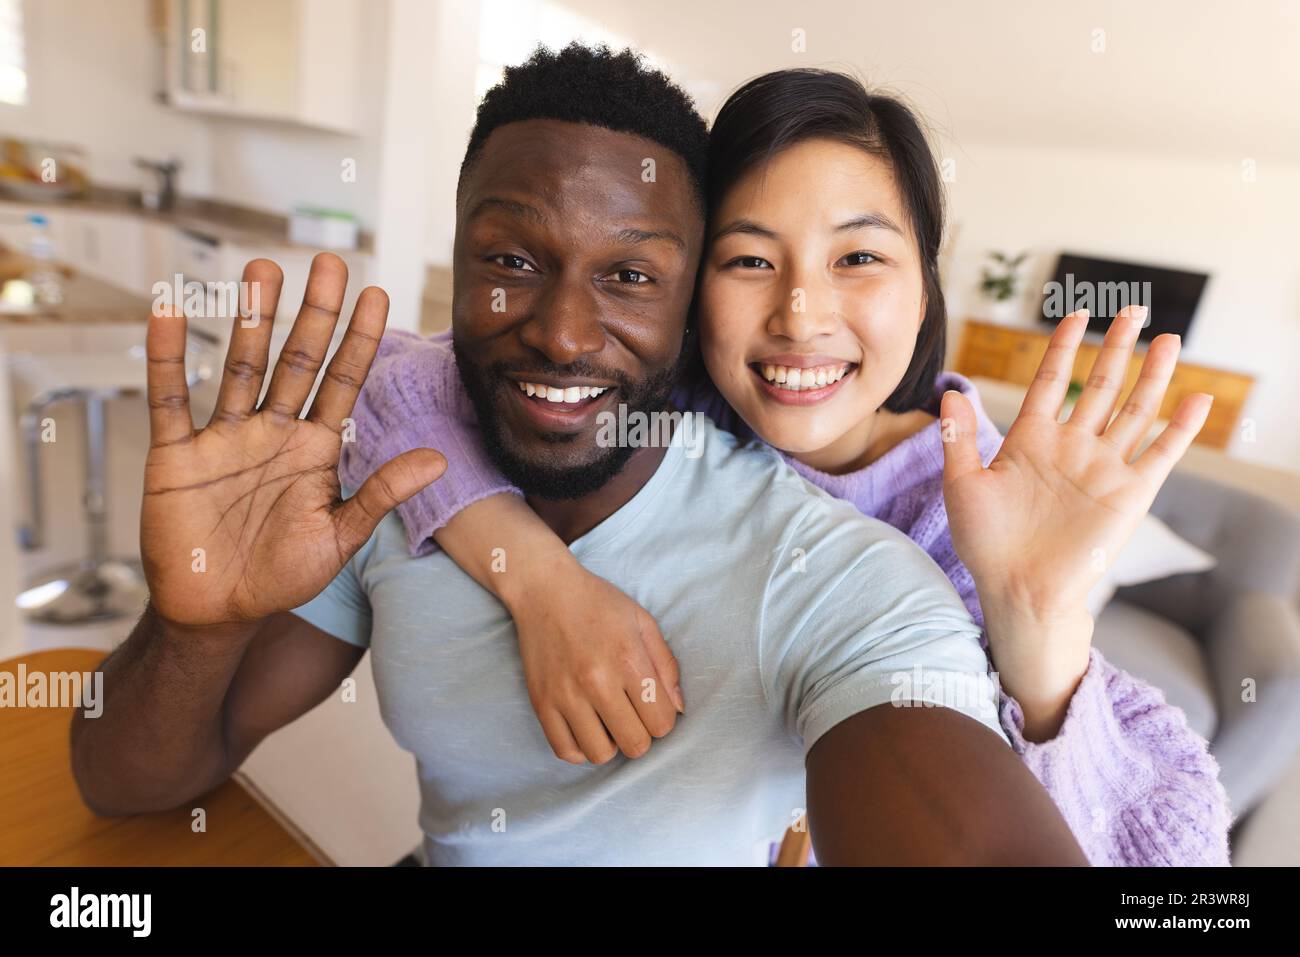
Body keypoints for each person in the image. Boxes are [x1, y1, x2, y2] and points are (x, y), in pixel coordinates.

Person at [69, 44, 1087, 866]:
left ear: (690, 304)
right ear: (455, 264)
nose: (561, 332)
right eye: (511, 261)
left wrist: (1042, 634)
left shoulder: (841, 573)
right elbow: (127, 784)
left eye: (630, 275)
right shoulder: (385, 488)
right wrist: (192, 625)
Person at [341, 61, 1231, 865]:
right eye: (751, 259)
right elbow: (404, 380)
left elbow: (1165, 871)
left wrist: (1040, 635)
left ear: (925, 285)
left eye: (858, 257)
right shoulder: (671, 395)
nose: (801, 315)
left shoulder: (966, 507)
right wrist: (541, 582)